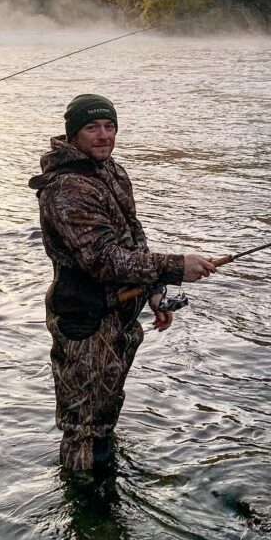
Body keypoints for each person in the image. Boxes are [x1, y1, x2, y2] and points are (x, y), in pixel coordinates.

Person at [28, 93, 217, 472]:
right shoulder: (67, 188)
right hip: (85, 320)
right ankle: (87, 509)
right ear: (73, 134)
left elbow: (132, 237)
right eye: (92, 127)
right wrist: (176, 267)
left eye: (109, 126)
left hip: (120, 314)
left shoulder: (111, 170)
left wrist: (154, 293)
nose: (103, 135)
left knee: (106, 413)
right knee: (82, 426)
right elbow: (102, 259)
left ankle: (106, 483)